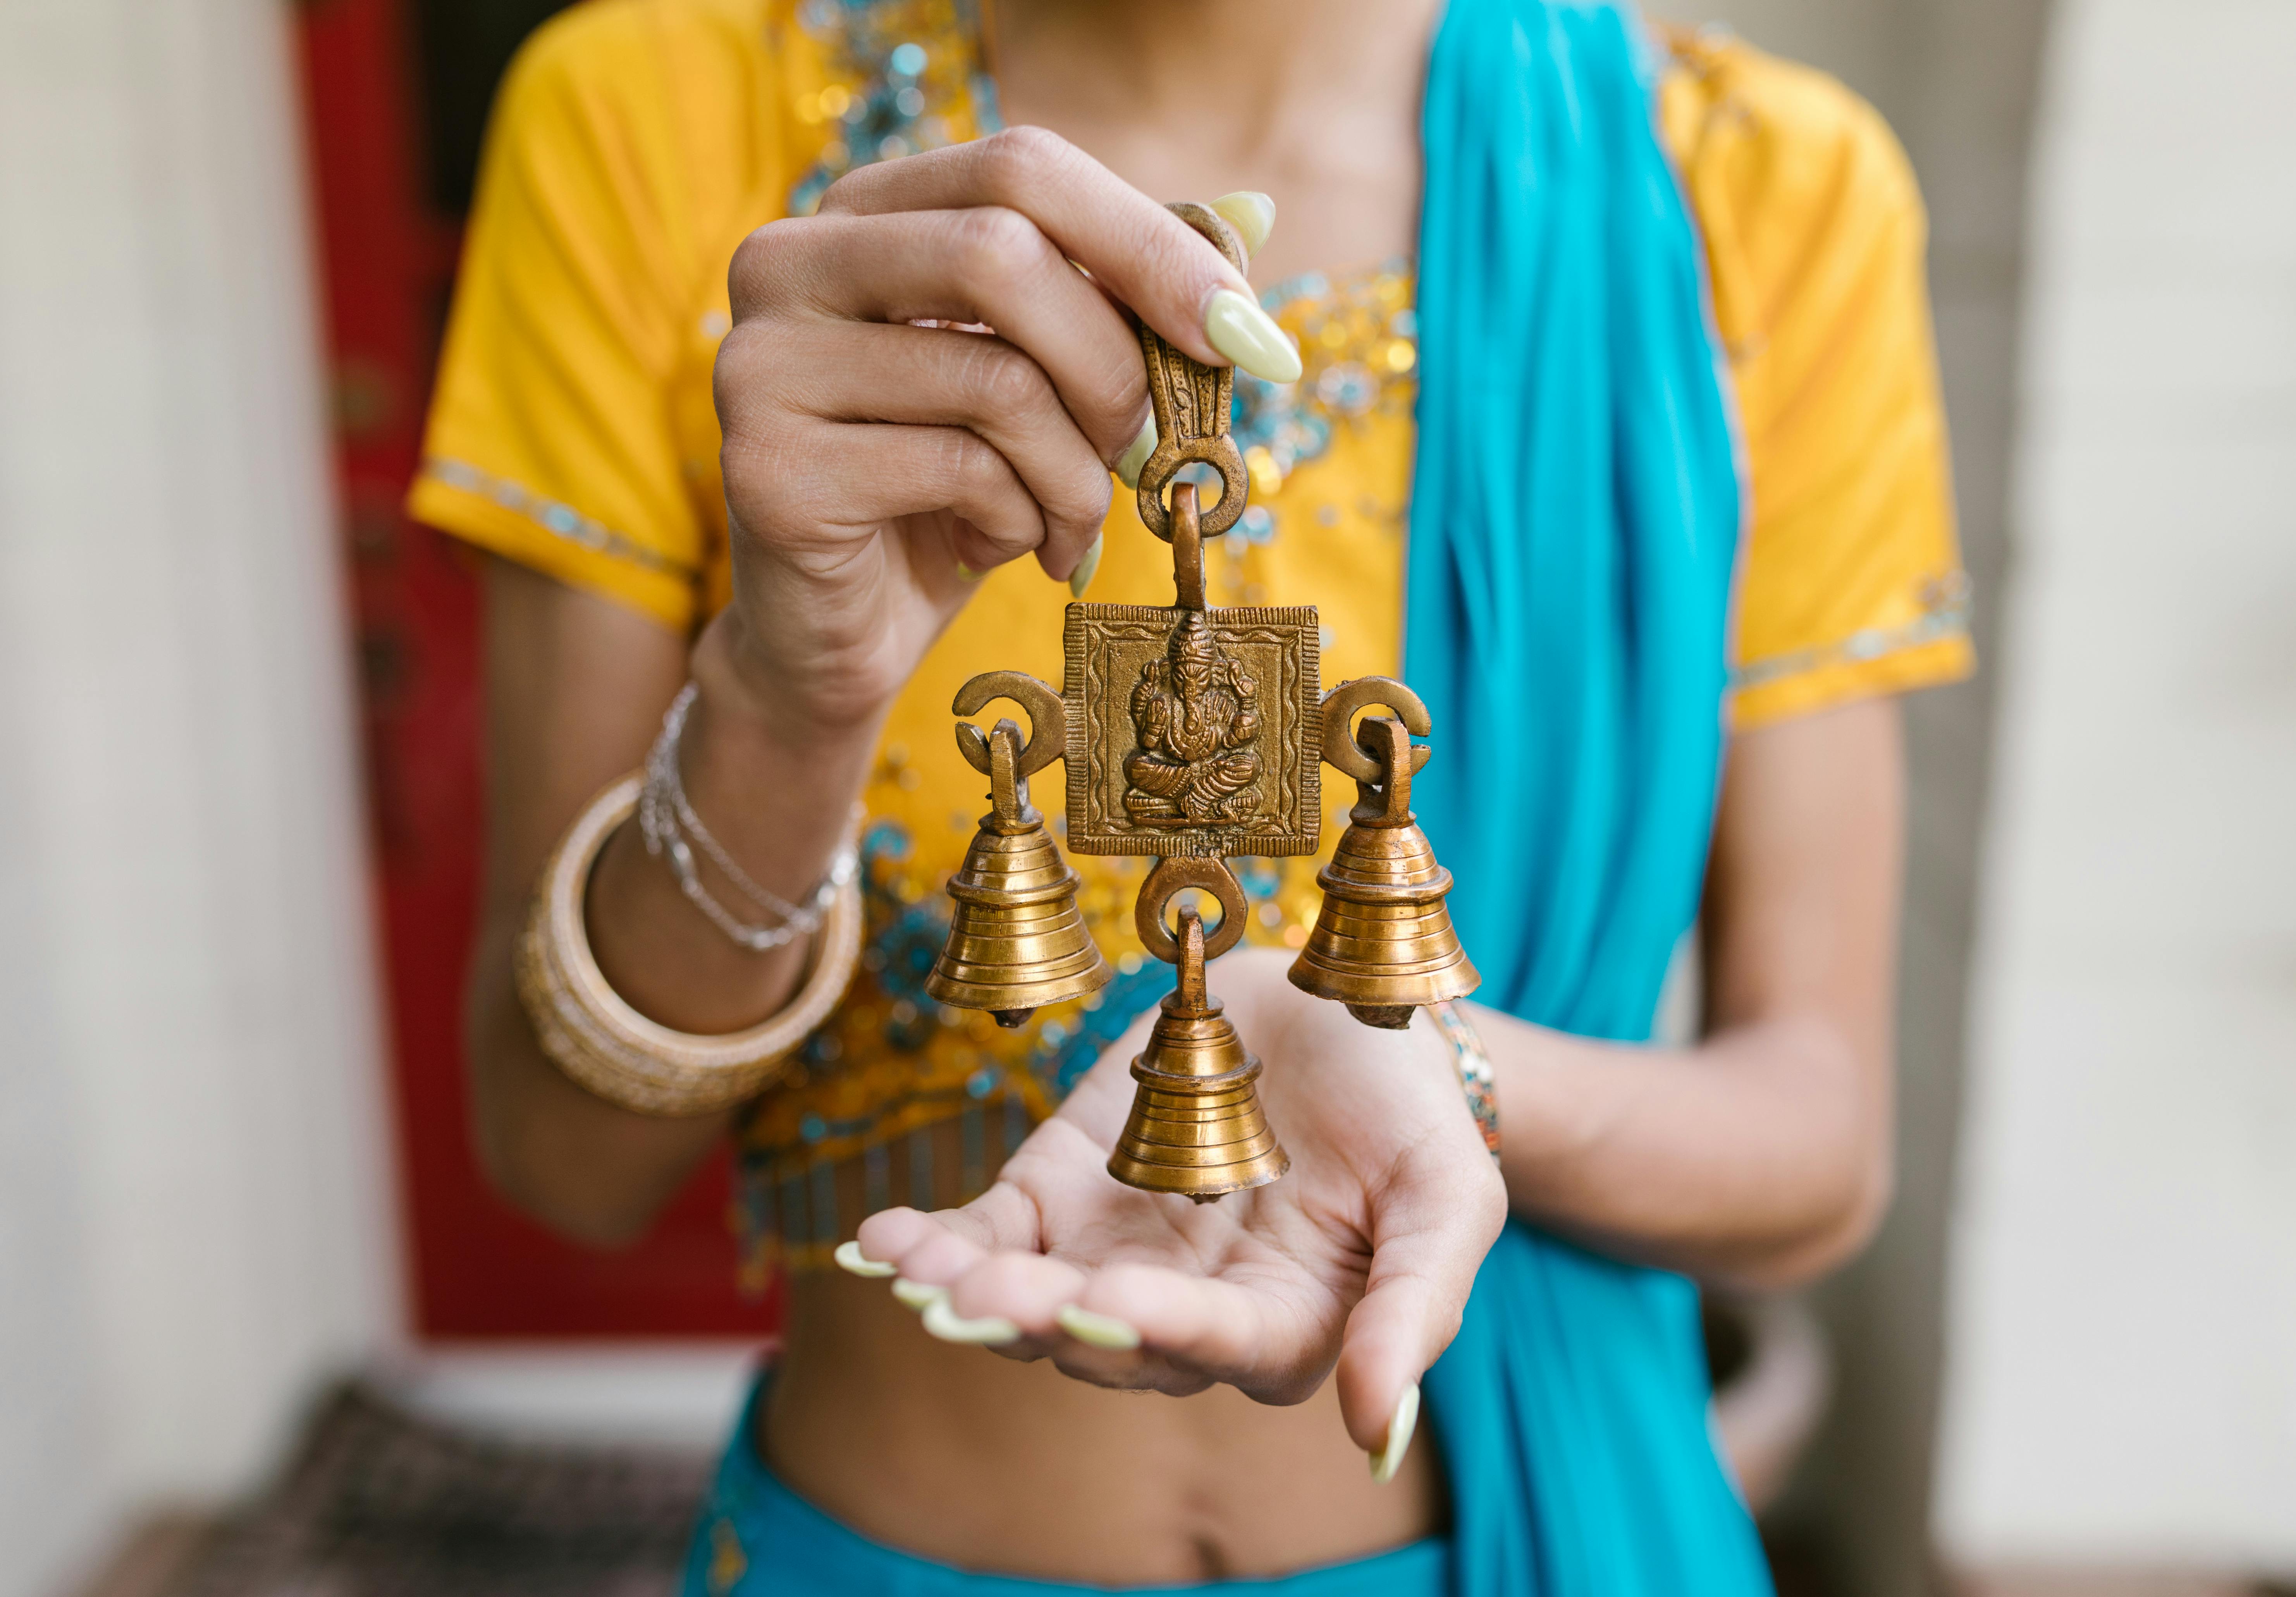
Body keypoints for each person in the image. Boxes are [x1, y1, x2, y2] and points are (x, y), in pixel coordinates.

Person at [408, 0, 1973, 1588]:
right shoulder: (661, 111)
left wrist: (1429, 1066)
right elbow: (566, 1159)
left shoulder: (1748, 191)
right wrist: (781, 700)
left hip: (1507, 1545)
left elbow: (1814, 1151)